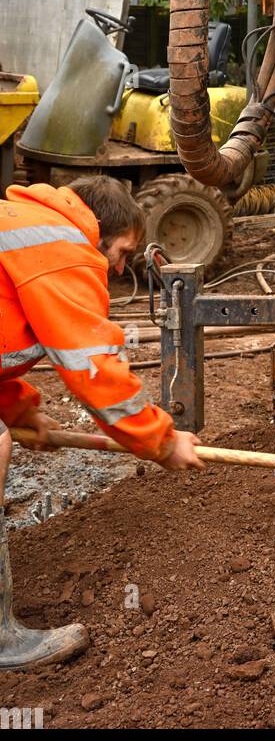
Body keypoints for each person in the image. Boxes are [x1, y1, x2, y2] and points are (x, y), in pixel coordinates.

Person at [0, 176, 204, 670]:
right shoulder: (62, 244)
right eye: (123, 252)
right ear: (99, 230)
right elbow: (94, 368)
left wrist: (20, 410)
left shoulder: (26, 225)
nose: (117, 267)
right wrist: (160, 439)